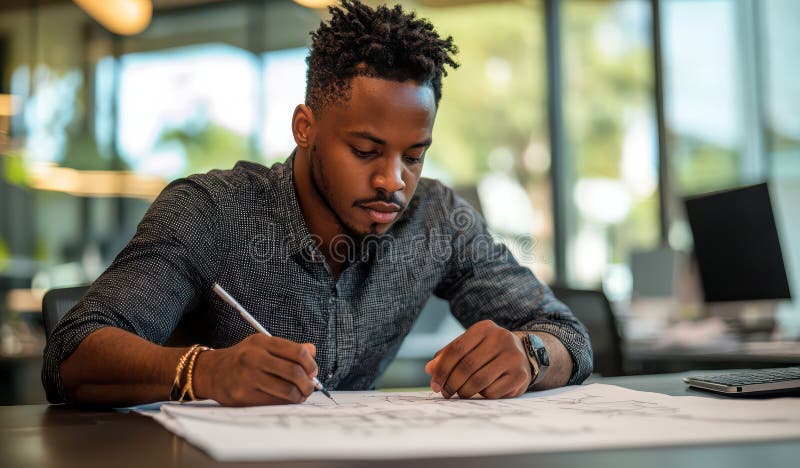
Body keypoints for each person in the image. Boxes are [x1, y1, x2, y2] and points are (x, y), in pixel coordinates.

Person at [43, 0, 592, 407]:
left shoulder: (438, 219)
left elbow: (567, 333)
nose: (393, 181)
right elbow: (72, 351)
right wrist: (206, 372)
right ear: (305, 127)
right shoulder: (211, 210)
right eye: (365, 150)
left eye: (414, 156)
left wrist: (530, 354)